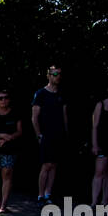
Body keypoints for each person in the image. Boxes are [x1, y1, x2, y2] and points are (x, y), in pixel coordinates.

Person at [32, 66, 68, 205]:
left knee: (54, 165)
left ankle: (48, 194)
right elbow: (34, 117)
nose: (57, 76)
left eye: (59, 74)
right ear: (48, 75)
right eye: (54, 74)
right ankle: (40, 195)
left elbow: (64, 116)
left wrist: (66, 132)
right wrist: (39, 135)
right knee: (46, 165)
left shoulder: (61, 93)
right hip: (46, 135)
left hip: (59, 135)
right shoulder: (41, 93)